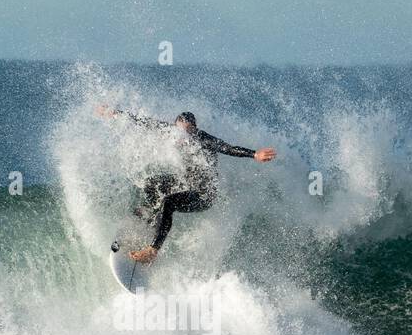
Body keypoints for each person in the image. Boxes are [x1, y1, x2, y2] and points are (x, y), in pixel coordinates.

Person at [95, 105, 276, 262]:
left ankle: (153, 250)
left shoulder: (203, 139)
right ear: (175, 127)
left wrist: (254, 154)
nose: (183, 137)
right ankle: (147, 219)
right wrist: (114, 113)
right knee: (152, 183)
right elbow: (143, 122)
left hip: (203, 195)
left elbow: (227, 148)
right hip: (185, 184)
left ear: (194, 130)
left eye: (188, 132)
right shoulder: (171, 131)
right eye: (180, 131)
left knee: (168, 202)